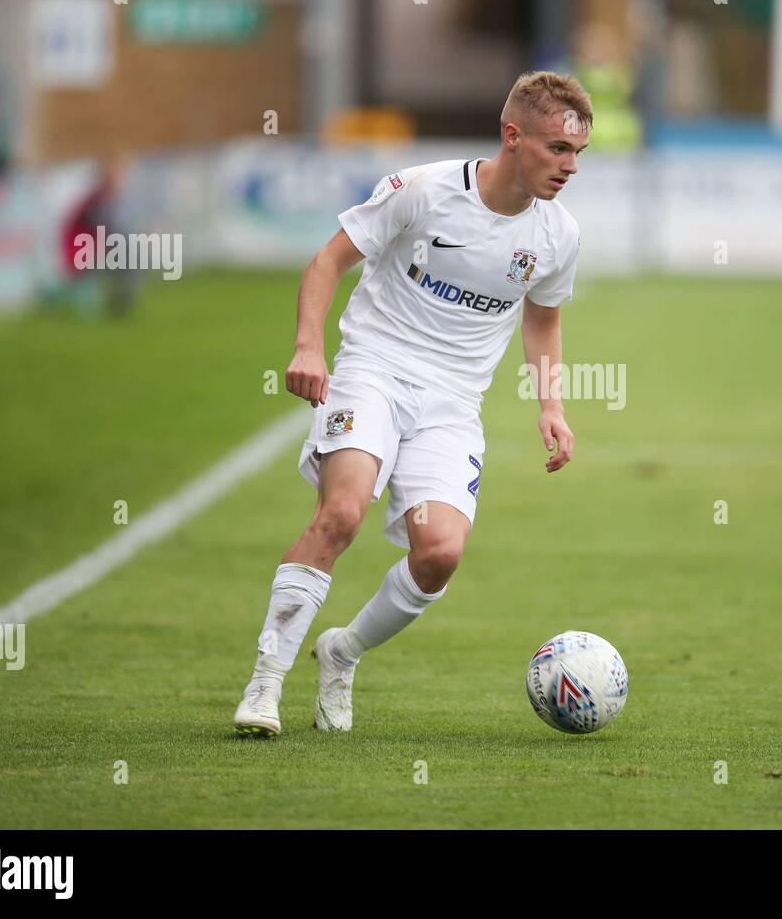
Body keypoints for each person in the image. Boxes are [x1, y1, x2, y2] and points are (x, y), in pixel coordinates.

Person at [234, 72, 592, 736]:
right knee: (341, 512)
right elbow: (326, 262)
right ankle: (265, 684)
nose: (570, 166)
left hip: (452, 406)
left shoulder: (558, 235)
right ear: (513, 137)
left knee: (440, 554)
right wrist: (309, 347)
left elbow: (543, 320)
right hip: (374, 370)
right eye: (556, 149)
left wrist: (552, 406)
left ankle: (341, 653)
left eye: (578, 154)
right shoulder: (423, 191)